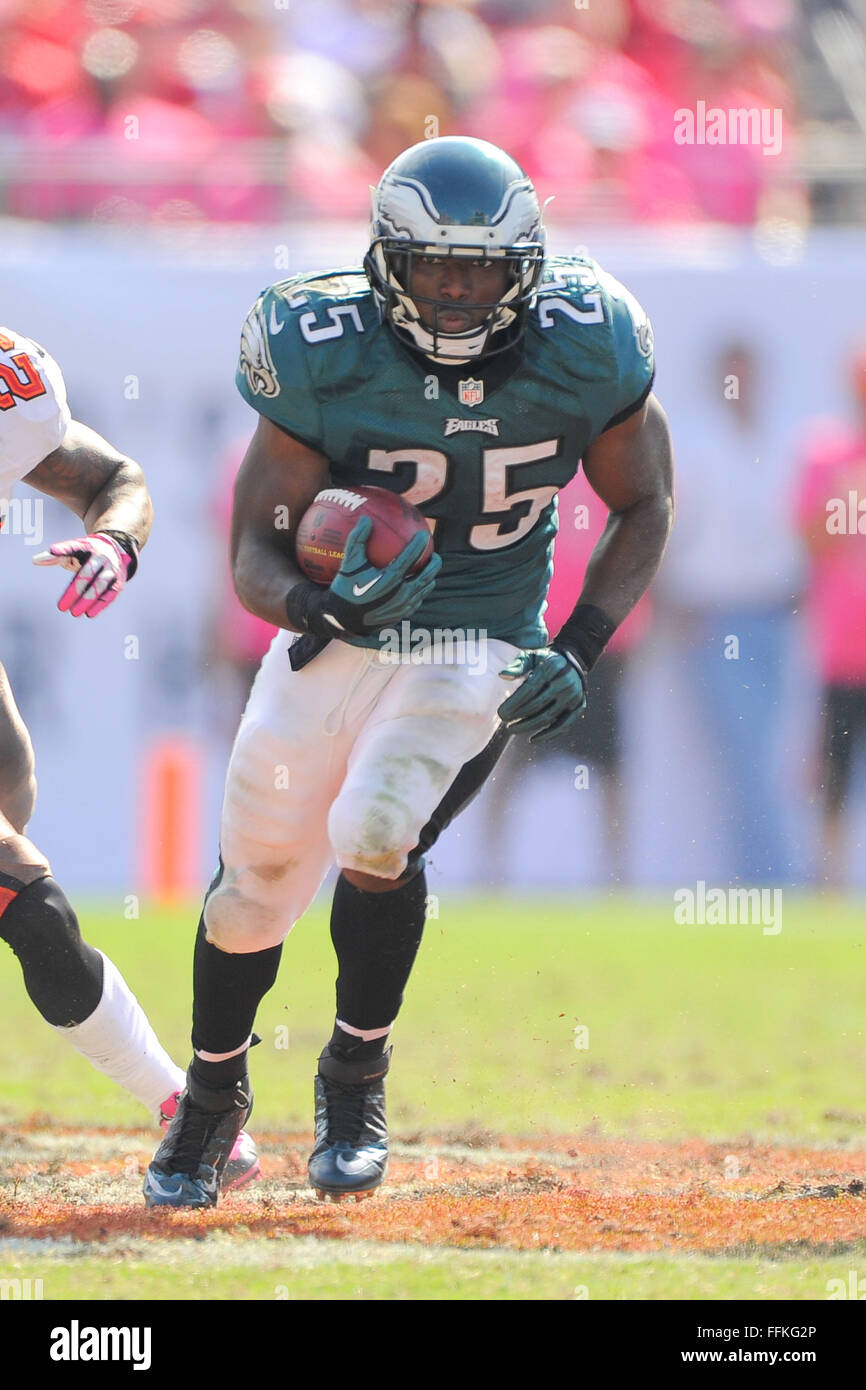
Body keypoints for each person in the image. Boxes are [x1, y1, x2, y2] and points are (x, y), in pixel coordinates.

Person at [145, 136, 673, 1208]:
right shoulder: (319, 342)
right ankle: (211, 1094)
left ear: (524, 268)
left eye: (479, 268)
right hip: (338, 635)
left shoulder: (592, 341)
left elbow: (643, 501)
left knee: (375, 830)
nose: (455, 289)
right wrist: (312, 601)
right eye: (432, 264)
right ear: (386, 258)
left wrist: (575, 645)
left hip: (473, 635)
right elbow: (255, 542)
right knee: (252, 893)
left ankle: (353, 1076)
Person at [0, 327, 258, 1189]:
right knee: (15, 879)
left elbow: (116, 480)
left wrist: (115, 540)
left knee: (10, 786)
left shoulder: (14, 387)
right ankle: (177, 1097)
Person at [796, 346, 866, 889]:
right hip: (843, 652)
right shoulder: (827, 453)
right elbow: (811, 543)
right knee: (834, 772)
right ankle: (830, 882)